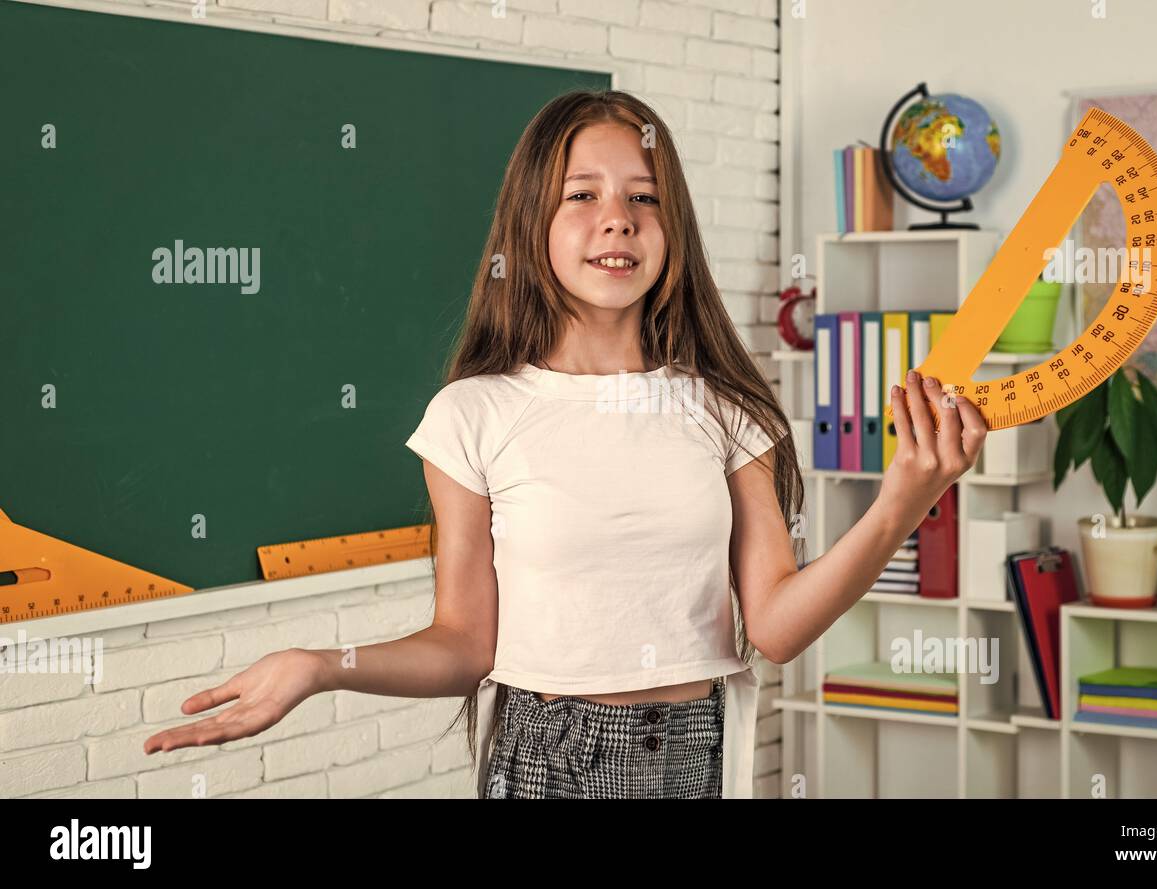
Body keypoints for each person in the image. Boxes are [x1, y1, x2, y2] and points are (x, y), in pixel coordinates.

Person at [142, 89, 987, 798]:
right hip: (542, 755)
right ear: (532, 224)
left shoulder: (730, 410)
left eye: (643, 197)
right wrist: (322, 664)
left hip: (692, 754)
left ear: (672, 226)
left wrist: (900, 504)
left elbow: (774, 625)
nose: (616, 221)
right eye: (582, 195)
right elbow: (466, 644)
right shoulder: (472, 414)